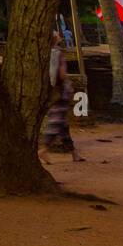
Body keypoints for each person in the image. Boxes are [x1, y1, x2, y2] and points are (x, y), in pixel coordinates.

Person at [42, 30, 83, 162]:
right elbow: (62, 74)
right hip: (60, 90)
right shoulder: (58, 54)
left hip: (50, 90)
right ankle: (44, 149)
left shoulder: (44, 54)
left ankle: (73, 152)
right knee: (56, 121)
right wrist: (68, 84)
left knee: (62, 124)